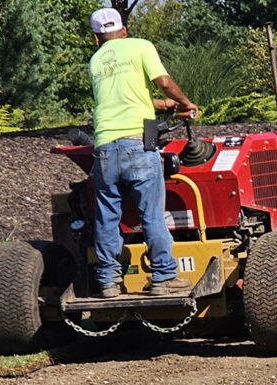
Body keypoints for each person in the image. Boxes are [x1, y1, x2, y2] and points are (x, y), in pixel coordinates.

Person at [88, 7, 198, 298]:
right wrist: (185, 103)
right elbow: (163, 82)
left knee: (107, 218)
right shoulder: (140, 46)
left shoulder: (96, 60)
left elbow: (129, 97)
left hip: (104, 149)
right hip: (138, 142)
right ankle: (163, 276)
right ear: (124, 30)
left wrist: (164, 106)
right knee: (151, 215)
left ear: (97, 38)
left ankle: (109, 281)